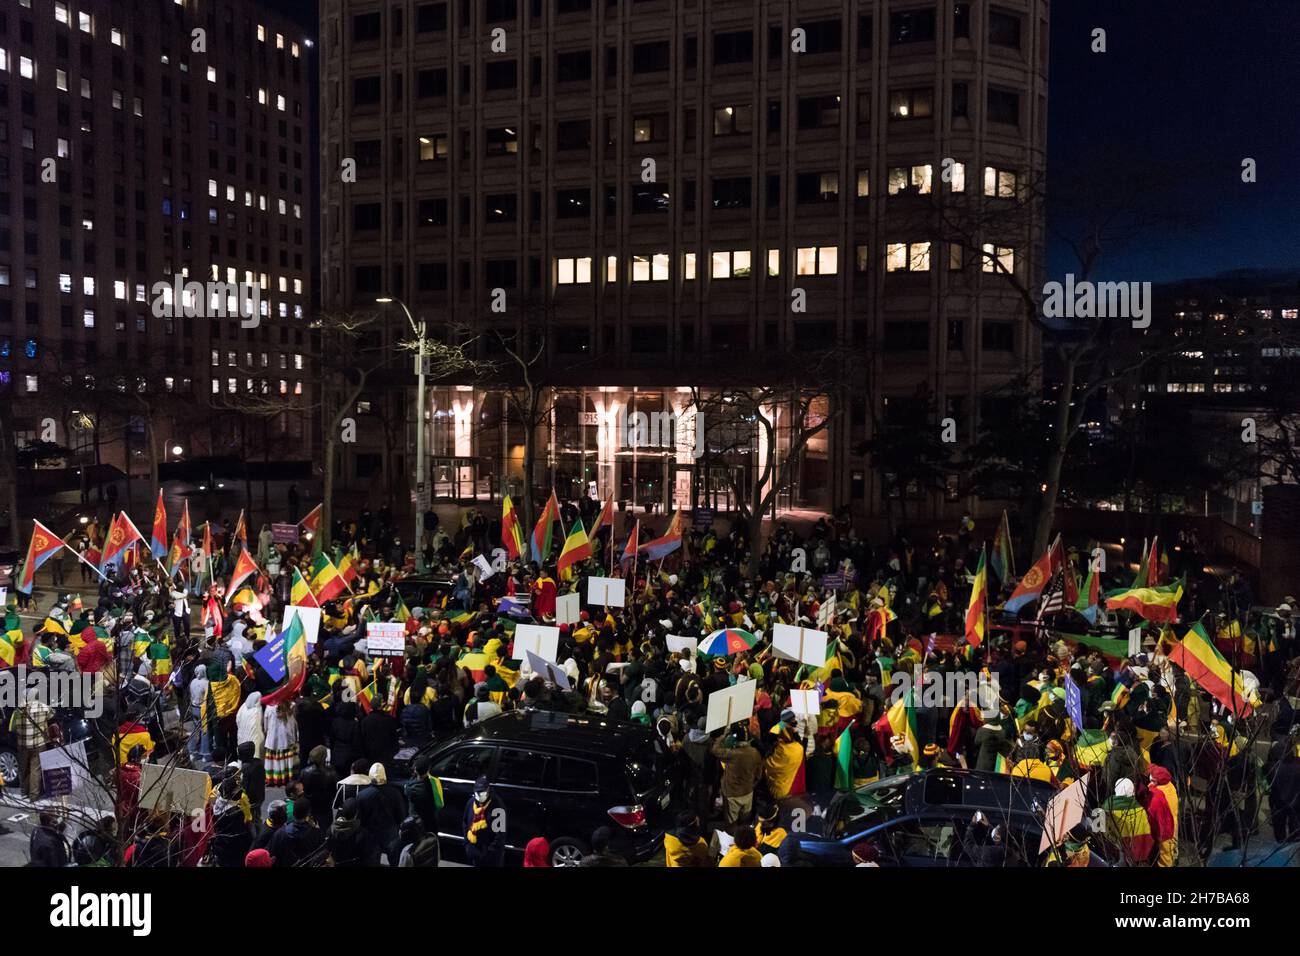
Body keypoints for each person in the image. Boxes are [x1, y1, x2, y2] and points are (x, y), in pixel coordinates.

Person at [356, 762, 407, 865]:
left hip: (371, 835)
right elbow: (401, 815)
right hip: (391, 834)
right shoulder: (395, 793)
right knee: (395, 862)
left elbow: (360, 819)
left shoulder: (362, 795)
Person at [711, 727, 762, 824]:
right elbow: (759, 773)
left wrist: (723, 736)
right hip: (748, 791)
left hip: (731, 793)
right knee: (745, 820)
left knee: (731, 822)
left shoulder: (731, 754)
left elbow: (715, 750)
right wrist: (753, 784)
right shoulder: (755, 752)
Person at [462, 775, 507, 867]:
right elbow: (465, 823)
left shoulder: (497, 807)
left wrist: (487, 853)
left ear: (488, 790)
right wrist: (467, 844)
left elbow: (500, 835)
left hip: (491, 857)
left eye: (482, 792)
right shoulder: (471, 803)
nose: (479, 795)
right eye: (477, 793)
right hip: (474, 851)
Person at [263, 699, 298, 788]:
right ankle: (285, 779)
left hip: (272, 739)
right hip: (286, 738)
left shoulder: (269, 707)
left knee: (274, 760)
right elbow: (294, 723)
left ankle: (272, 779)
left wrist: (267, 732)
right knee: (285, 760)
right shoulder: (291, 705)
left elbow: (265, 726)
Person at [301, 745, 339, 824]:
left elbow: (301, 789)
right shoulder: (331, 773)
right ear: (324, 757)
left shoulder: (304, 772)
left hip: (310, 807)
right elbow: (335, 791)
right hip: (325, 808)